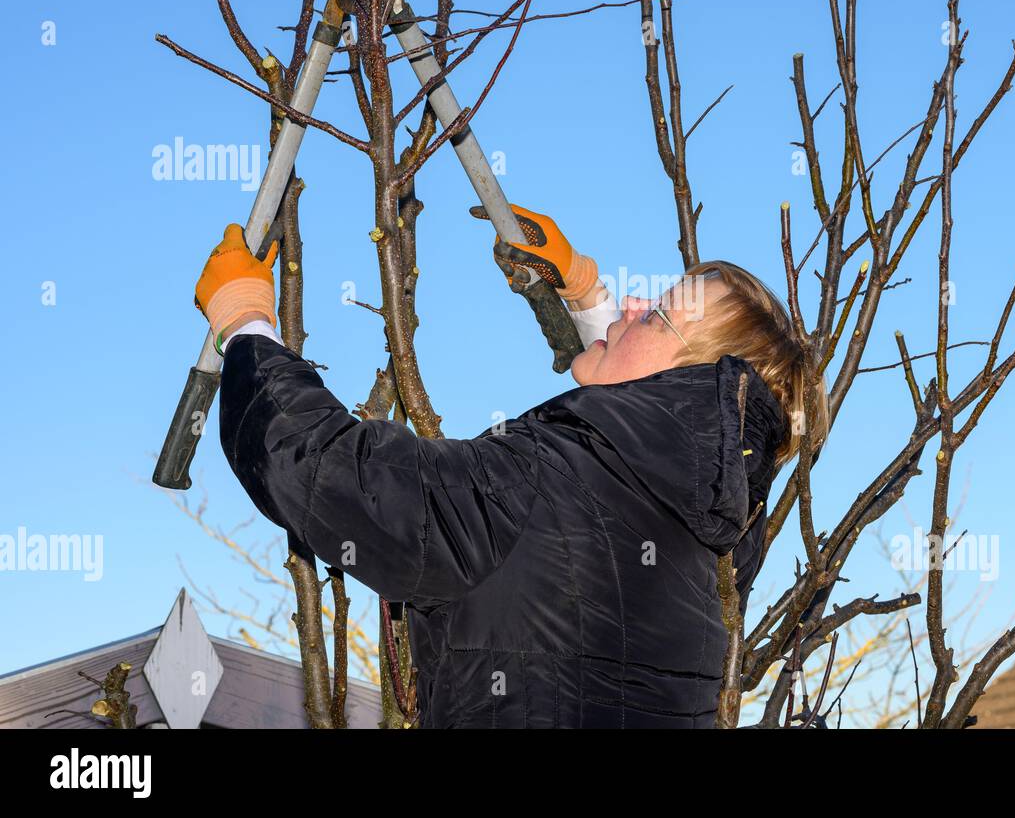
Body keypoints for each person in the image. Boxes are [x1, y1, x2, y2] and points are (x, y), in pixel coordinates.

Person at [195, 204, 828, 728]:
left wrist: (247, 326)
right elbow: (663, 431)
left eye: (657, 312)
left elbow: (322, 470)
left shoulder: (535, 486)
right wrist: (586, 296)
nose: (634, 300)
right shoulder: (722, 550)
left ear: (685, 382)